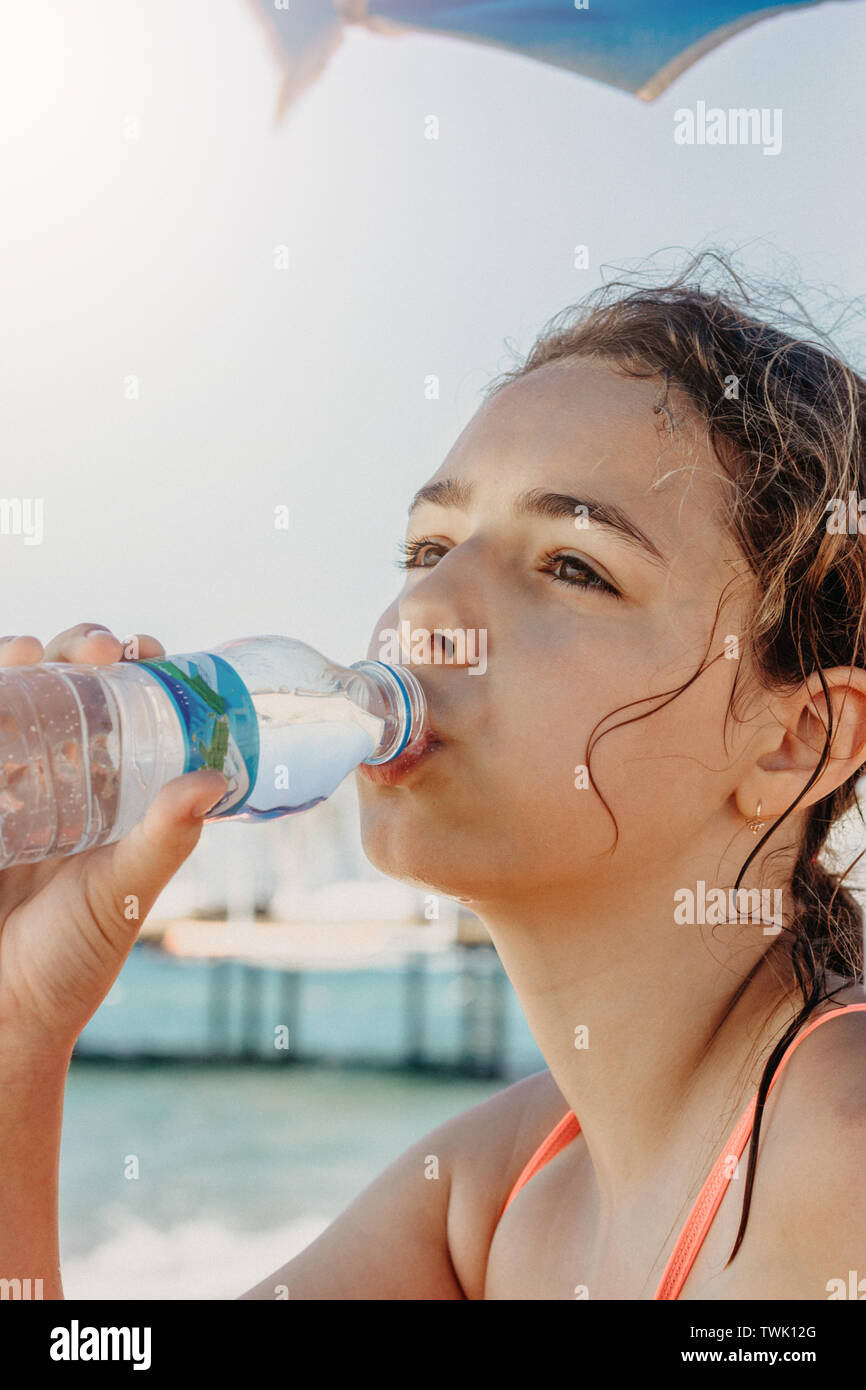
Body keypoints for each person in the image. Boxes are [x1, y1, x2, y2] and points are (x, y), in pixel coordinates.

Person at [2, 251, 866, 1300]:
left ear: (797, 740)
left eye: (572, 566)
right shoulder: (491, 1194)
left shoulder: (839, 1159)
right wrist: (18, 1032)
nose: (421, 614)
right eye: (426, 548)